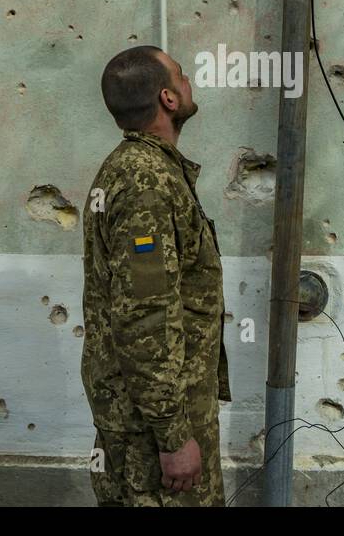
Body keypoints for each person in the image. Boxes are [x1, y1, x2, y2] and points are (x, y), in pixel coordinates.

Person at [81, 45, 231, 506]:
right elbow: (145, 316)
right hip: (151, 427)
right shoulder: (146, 183)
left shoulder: (144, 170)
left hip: (148, 415)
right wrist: (172, 435)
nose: (189, 83)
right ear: (167, 98)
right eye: (182, 76)